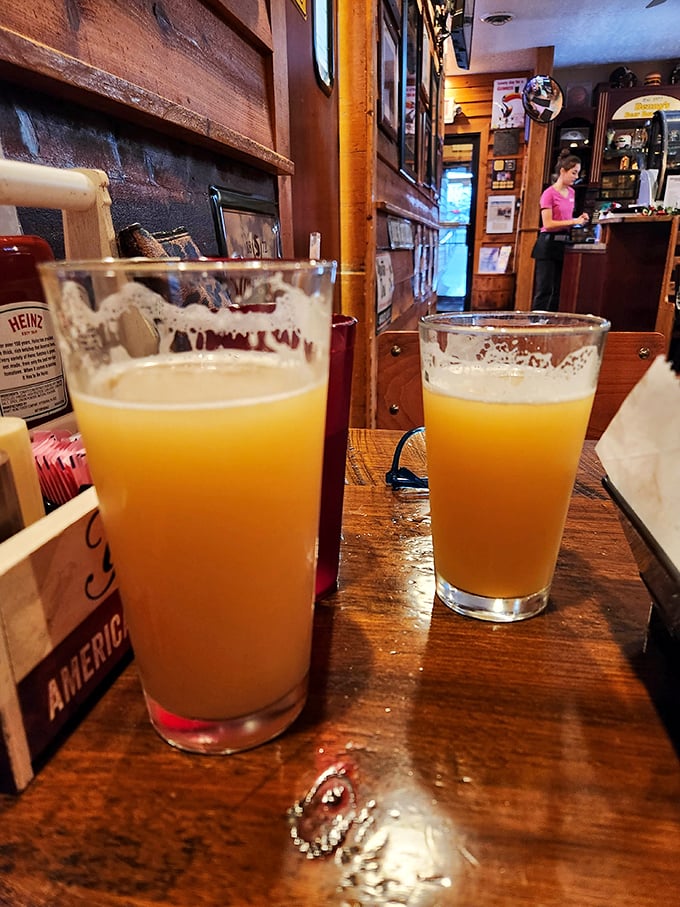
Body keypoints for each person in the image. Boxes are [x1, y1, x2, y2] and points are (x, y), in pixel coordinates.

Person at [531, 150, 589, 311]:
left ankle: (552, 327)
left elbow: (566, 219)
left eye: (578, 173)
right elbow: (548, 223)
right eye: (573, 172)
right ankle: (536, 326)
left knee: (558, 290)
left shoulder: (572, 192)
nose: (576, 176)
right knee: (544, 289)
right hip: (547, 244)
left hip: (564, 242)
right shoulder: (548, 194)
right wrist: (573, 221)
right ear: (562, 171)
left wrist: (579, 221)